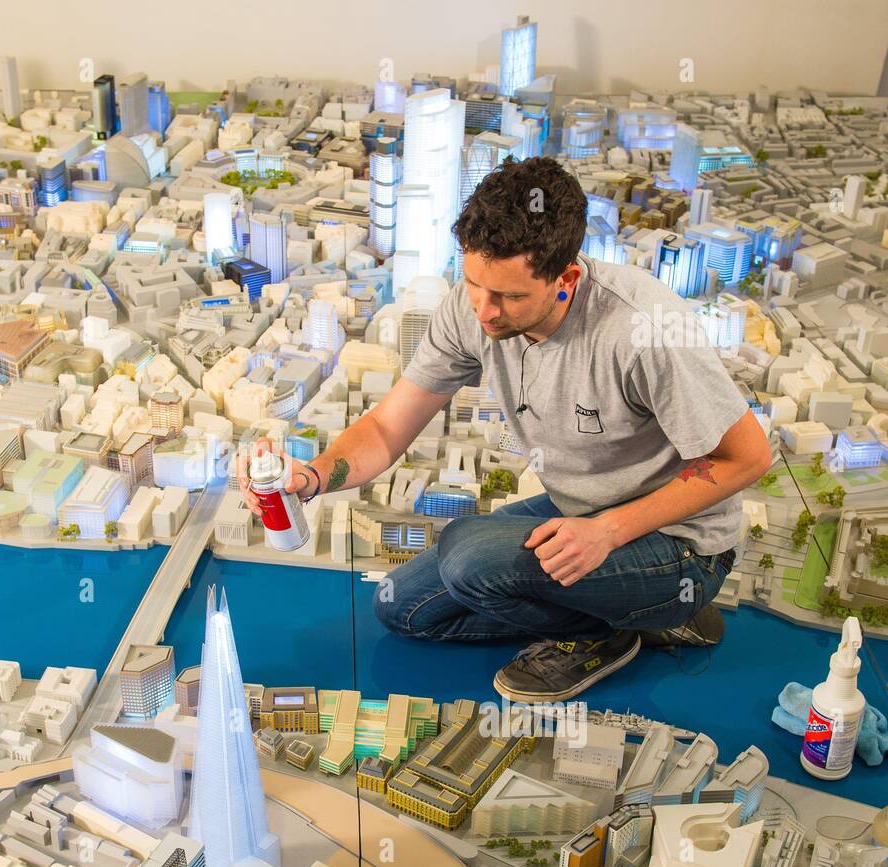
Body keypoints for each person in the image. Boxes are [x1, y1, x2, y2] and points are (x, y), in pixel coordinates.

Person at [238, 156, 772, 704]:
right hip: (579, 510)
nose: (485, 312)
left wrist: (610, 531)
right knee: (403, 607)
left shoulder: (642, 328)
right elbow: (386, 429)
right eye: (474, 284)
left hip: (683, 544)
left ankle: (598, 636)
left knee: (469, 555)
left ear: (565, 278)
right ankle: (636, 613)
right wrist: (311, 477)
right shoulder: (470, 308)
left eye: (510, 297)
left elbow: (748, 458)